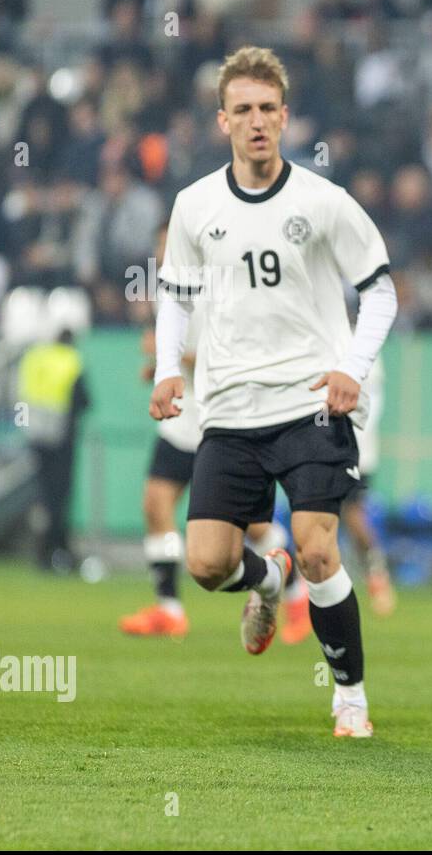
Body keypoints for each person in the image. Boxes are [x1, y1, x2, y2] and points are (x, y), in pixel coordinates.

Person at [149, 47, 397, 738]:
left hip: (313, 402)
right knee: (206, 563)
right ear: (222, 119)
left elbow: (380, 289)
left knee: (320, 548)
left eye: (268, 109)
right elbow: (175, 297)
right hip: (229, 407)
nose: (256, 122)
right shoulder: (194, 205)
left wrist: (353, 365)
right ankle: (265, 578)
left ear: (284, 117)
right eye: (243, 110)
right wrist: (171, 367)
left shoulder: (323, 201)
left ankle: (350, 697)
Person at [122, 224, 308, 639]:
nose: (164, 253)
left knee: (252, 529)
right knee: (155, 504)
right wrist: (159, 369)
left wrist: (167, 356)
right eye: (159, 246)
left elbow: (218, 359)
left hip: (219, 422)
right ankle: (169, 609)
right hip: (180, 421)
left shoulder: (217, 293)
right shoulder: (169, 292)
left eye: (170, 245)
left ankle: (296, 596)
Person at [18, 327, 89, 572]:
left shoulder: (33, 359)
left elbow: (19, 399)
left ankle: (41, 552)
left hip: (36, 440)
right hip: (62, 441)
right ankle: (59, 551)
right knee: (59, 499)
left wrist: (25, 430)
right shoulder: (70, 361)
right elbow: (84, 400)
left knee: (43, 497)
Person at [338, 357, 396, 621]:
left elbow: (369, 405)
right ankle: (317, 588)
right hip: (322, 447)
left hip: (356, 451)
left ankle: (377, 573)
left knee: (352, 515)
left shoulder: (366, 353)